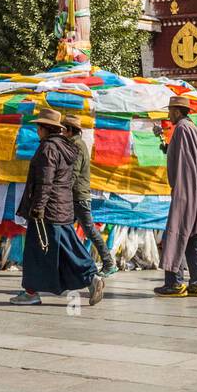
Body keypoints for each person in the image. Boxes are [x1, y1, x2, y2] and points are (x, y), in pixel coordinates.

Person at [10, 108, 104, 308]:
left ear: (46, 129)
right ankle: (91, 277)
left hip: (47, 210)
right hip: (62, 207)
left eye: (39, 127)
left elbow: (45, 181)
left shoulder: (48, 149)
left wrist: (38, 207)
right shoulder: (65, 148)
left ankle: (31, 292)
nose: (37, 131)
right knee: (68, 248)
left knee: (36, 252)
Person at [154, 95, 197, 298]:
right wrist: (163, 140)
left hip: (185, 190)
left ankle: (175, 283)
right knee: (192, 237)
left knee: (175, 234)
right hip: (196, 191)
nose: (169, 115)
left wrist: (181, 192)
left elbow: (186, 163)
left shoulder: (182, 129)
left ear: (177, 111)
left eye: (170, 111)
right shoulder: (193, 128)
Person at [61, 114, 116, 277]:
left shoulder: (77, 146)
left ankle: (108, 263)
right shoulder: (75, 144)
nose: (62, 133)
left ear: (70, 131)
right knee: (66, 230)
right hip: (74, 195)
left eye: (64, 130)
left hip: (78, 196)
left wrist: (61, 190)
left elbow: (74, 173)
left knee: (89, 231)